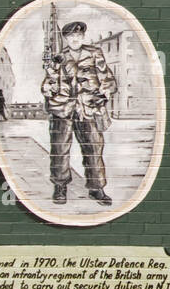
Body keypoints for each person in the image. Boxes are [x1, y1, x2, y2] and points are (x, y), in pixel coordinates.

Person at [42, 20, 117, 205]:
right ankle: (60, 187)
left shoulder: (94, 53)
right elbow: (48, 82)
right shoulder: (59, 57)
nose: (75, 39)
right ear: (66, 38)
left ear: (82, 37)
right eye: (71, 36)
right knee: (59, 150)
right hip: (63, 109)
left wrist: (106, 90)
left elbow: (106, 77)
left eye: (78, 36)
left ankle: (96, 188)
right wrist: (49, 88)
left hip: (88, 108)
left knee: (94, 148)